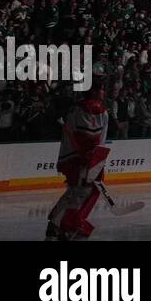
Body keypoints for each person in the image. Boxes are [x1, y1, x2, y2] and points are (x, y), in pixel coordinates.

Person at [47, 87, 110, 241]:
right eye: (101, 90)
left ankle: (57, 224)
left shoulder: (79, 108)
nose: (103, 93)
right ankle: (65, 226)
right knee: (81, 192)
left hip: (77, 157)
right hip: (79, 159)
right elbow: (88, 137)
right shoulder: (91, 108)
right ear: (94, 92)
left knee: (77, 191)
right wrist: (90, 158)